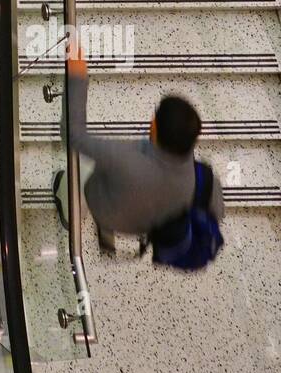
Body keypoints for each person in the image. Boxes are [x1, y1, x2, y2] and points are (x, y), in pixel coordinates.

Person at [56, 49, 224, 254]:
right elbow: (216, 212)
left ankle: (69, 211)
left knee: (78, 168)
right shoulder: (206, 182)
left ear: (154, 128)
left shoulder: (125, 158)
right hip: (143, 225)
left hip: (103, 205)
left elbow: (73, 135)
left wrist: (77, 74)